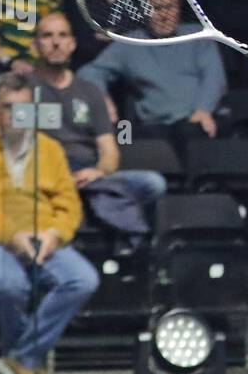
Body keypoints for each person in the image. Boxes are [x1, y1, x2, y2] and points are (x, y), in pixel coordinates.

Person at [0, 71, 99, 374]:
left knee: (83, 279)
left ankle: (21, 358)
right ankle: (29, 365)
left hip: (42, 238)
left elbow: (68, 203)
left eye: (24, 108)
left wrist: (54, 235)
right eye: (7, 107)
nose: (16, 116)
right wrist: (11, 234)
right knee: (8, 283)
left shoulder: (50, 148)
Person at [30, 13, 166, 254]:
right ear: (35, 45)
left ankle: (97, 195)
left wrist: (97, 173)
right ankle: (126, 237)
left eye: (62, 35)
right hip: (44, 175)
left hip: (88, 173)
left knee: (153, 183)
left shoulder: (90, 92)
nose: (56, 42)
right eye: (47, 36)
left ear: (72, 44)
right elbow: (17, 150)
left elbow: (109, 152)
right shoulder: (23, 89)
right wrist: (59, 178)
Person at [78, 0, 227, 156]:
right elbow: (89, 72)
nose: (164, 15)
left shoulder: (199, 36)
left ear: (179, 8)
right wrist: (101, 96)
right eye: (156, 8)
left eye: (169, 7)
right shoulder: (131, 43)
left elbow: (215, 78)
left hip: (202, 121)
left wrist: (204, 110)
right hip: (157, 130)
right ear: (141, 11)